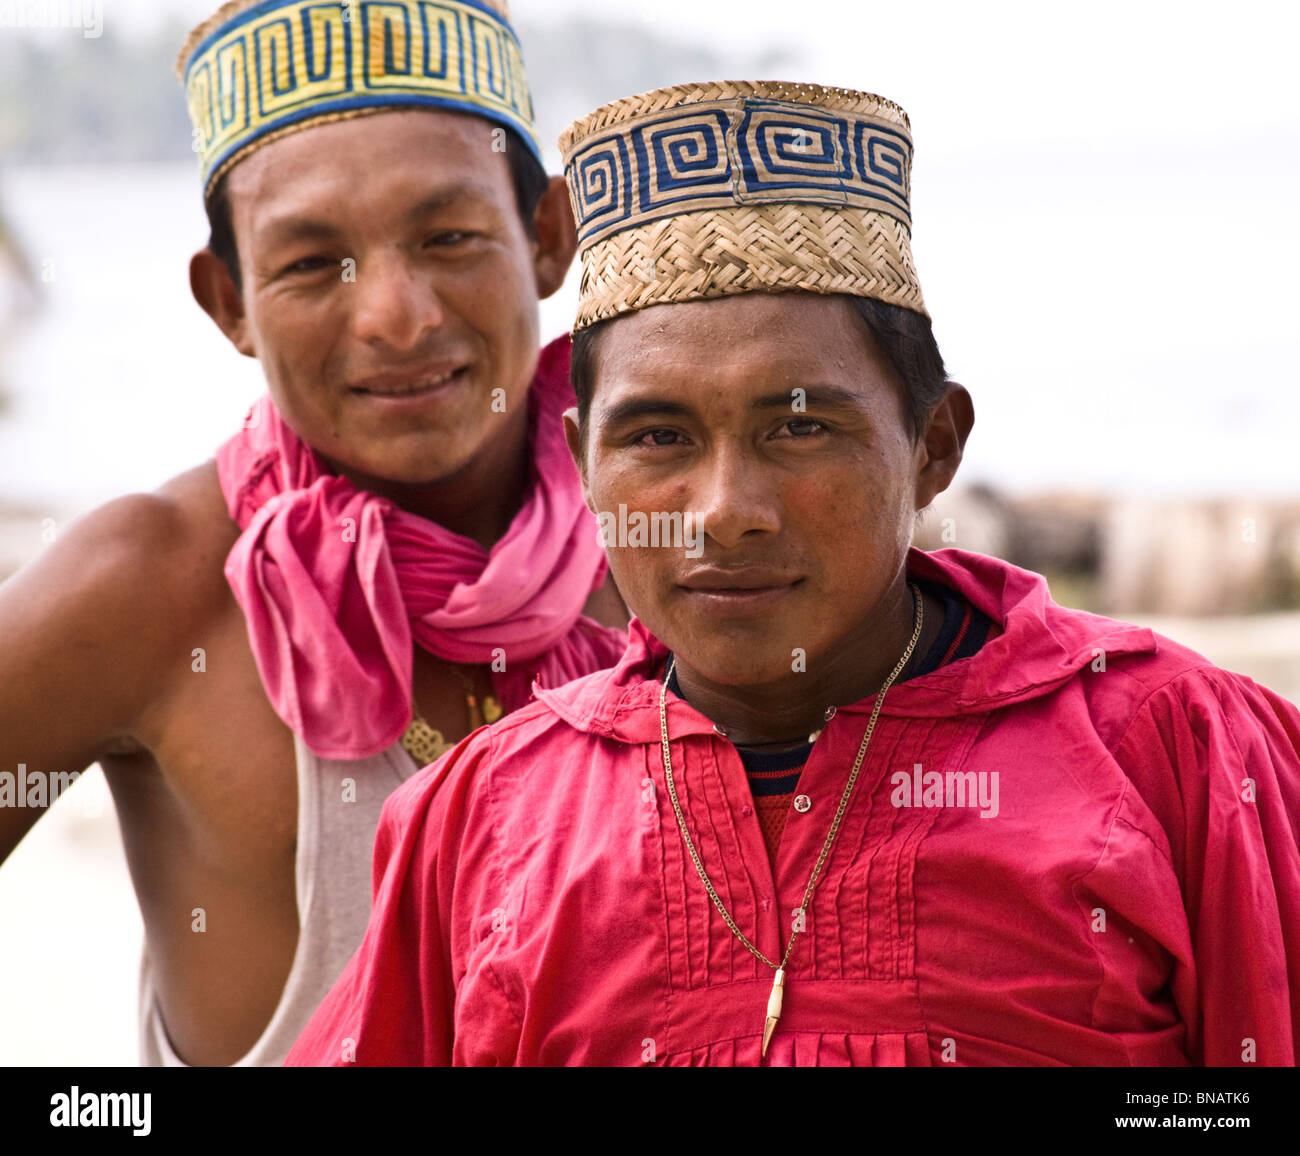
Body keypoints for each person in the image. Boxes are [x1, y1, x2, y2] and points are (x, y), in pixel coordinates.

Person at [284, 80, 1300, 1067]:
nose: (726, 508)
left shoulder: (1180, 753)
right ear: (580, 456)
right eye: (658, 435)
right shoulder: (480, 815)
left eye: (802, 425)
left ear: (932, 447)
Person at [0, 0, 627, 1067]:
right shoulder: (152, 586)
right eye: (307, 263)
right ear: (227, 303)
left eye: (449, 237)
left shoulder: (673, 554)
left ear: (549, 238)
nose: (395, 313)